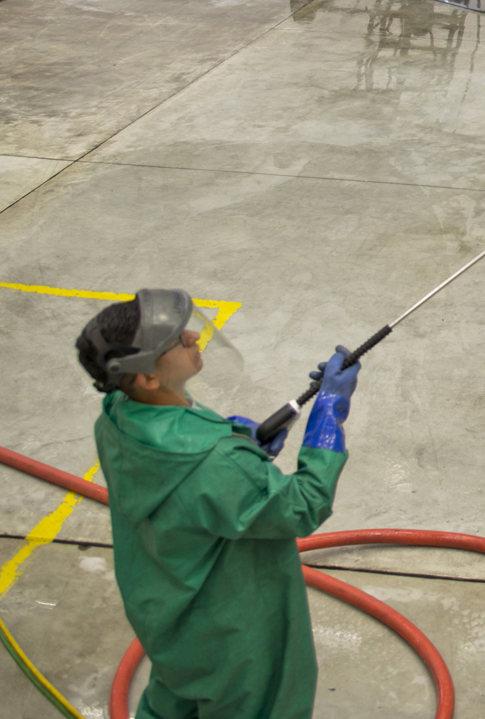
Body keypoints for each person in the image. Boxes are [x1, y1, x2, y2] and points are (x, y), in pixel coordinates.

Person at [77, 289, 360, 719]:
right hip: (234, 635)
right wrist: (329, 412)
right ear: (148, 378)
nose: (193, 335)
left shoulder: (116, 414)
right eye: (175, 340)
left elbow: (180, 474)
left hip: (168, 615)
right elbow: (302, 506)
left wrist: (236, 439)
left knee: (176, 700)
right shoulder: (214, 464)